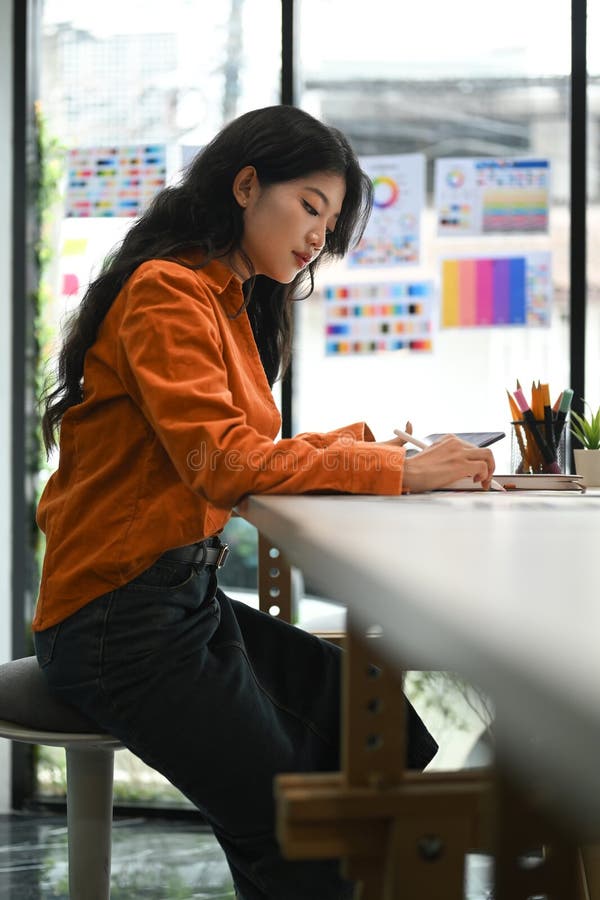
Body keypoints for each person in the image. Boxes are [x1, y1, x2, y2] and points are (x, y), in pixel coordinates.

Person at [33, 105, 496, 899]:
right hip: (117, 620)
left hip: (177, 603)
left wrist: (387, 454)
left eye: (331, 223)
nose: (319, 237)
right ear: (246, 185)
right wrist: (394, 470)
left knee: (371, 729)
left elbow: (237, 447)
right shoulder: (167, 293)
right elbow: (223, 465)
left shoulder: (222, 297)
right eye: (311, 207)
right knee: (297, 829)